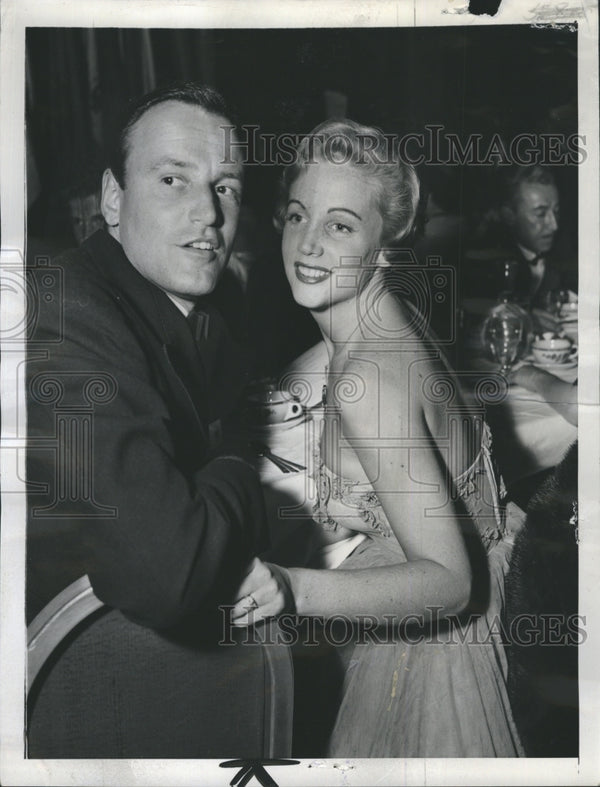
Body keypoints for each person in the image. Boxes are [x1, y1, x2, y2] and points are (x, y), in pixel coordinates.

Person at [230, 120, 524, 757]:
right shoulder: (378, 316)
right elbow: (318, 374)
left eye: (339, 225)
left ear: (384, 246)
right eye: (297, 215)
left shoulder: (366, 383)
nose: (307, 244)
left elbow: (450, 582)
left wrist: (292, 587)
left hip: (432, 644)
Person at [27, 82, 268, 632]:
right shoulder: (68, 318)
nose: (208, 212)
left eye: (225, 187)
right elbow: (170, 576)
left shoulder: (193, 303)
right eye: (171, 180)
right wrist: (237, 461)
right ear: (113, 199)